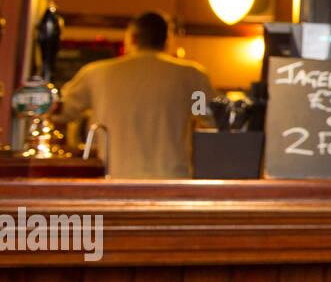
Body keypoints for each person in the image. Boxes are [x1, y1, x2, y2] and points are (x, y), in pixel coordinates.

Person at [58, 11, 216, 179]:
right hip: (170, 177)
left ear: (132, 38)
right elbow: (213, 117)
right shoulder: (191, 76)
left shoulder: (97, 74)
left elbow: (61, 111)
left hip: (113, 176)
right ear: (167, 41)